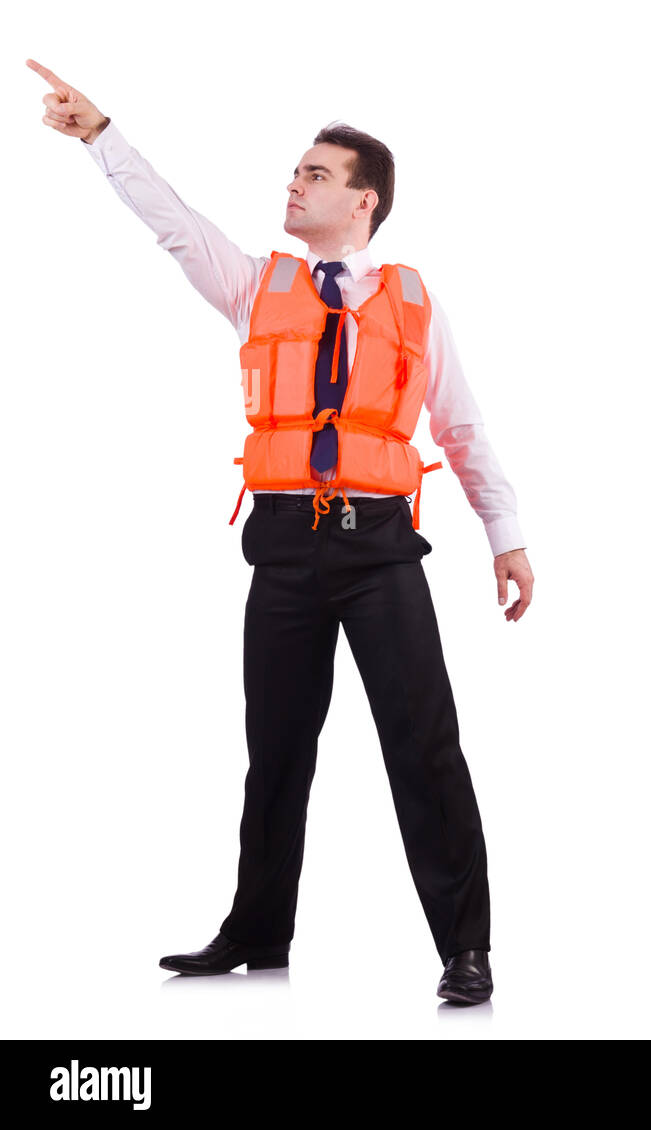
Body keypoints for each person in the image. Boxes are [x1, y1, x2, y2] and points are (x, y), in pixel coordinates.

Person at [29, 58, 533, 1005]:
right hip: (285, 551)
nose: (293, 184)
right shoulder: (256, 285)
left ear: (364, 201)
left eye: (315, 174)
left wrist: (505, 536)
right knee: (277, 748)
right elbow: (171, 221)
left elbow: (460, 428)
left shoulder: (417, 304)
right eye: (294, 170)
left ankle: (466, 948)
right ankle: (257, 930)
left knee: (425, 747)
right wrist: (104, 137)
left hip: (382, 552)